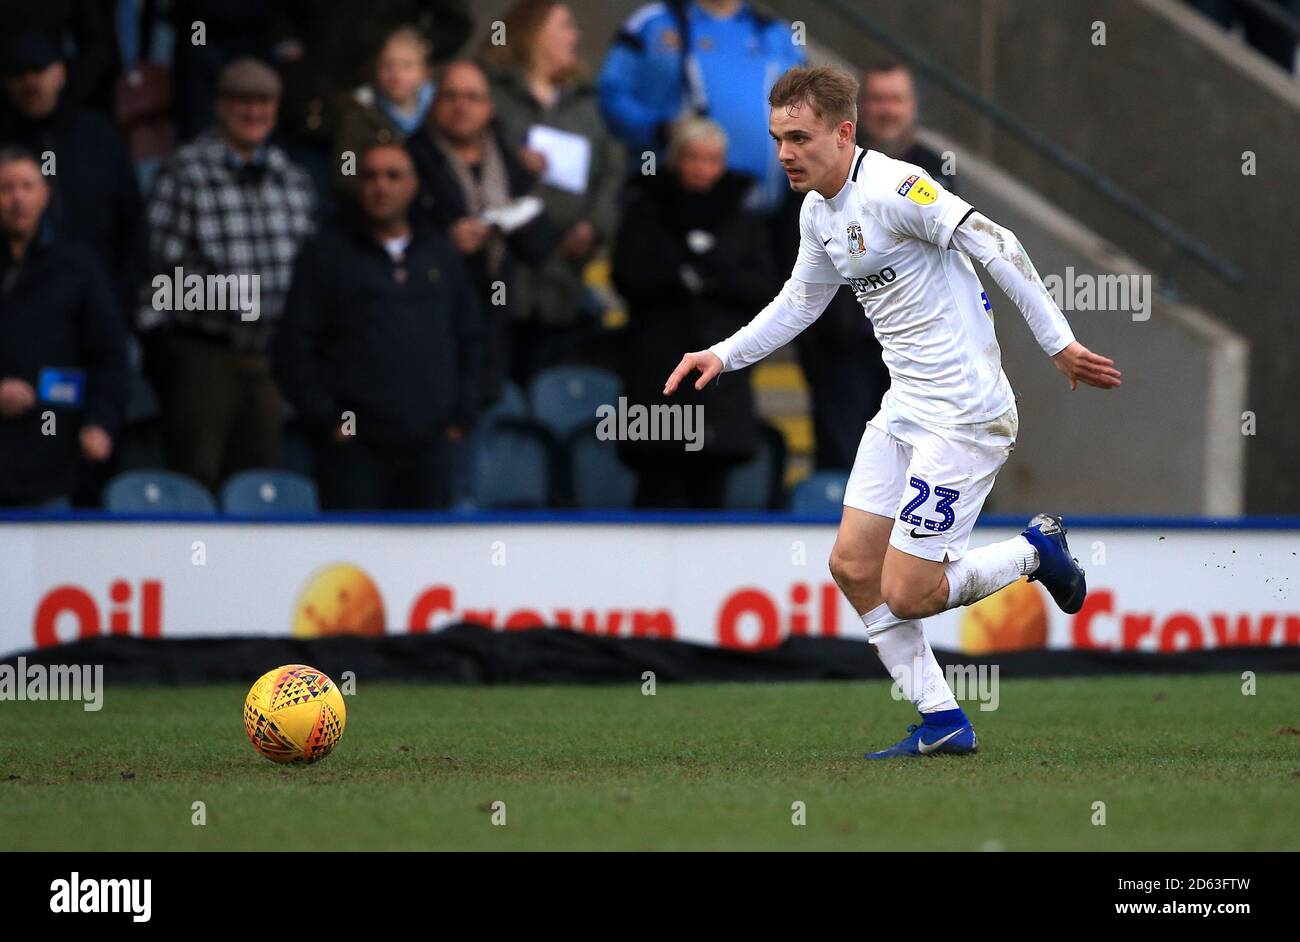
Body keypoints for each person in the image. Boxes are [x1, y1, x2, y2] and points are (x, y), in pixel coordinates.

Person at [663, 67, 1122, 759]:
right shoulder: (818, 212)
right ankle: (942, 720)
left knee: (908, 593)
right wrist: (722, 355)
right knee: (852, 565)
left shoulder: (898, 188)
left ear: (844, 133)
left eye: (800, 137)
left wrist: (1058, 343)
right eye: (777, 138)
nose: (784, 152)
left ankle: (1037, 551)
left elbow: (994, 242)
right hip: (905, 408)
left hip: (966, 416)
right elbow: (800, 302)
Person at [140, 57, 317, 492]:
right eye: (242, 102)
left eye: (264, 103)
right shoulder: (185, 172)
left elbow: (311, 272)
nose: (254, 113)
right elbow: (156, 281)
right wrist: (237, 296)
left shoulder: (293, 180)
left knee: (257, 485)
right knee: (195, 480)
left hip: (271, 359)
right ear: (220, 106)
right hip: (205, 356)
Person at [273, 143, 480, 510]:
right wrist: (329, 421)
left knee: (427, 564)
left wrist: (460, 415)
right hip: (355, 451)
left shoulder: (441, 255)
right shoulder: (326, 255)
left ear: (414, 184)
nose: (381, 186)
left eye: (393, 176)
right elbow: (294, 345)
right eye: (369, 176)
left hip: (430, 448)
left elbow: (471, 337)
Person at [612, 117, 772, 508]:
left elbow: (764, 287)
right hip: (657, 373)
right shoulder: (645, 209)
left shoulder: (744, 216)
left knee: (711, 493)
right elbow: (626, 278)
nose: (702, 168)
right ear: (675, 160)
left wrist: (713, 273)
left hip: (719, 380)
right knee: (656, 486)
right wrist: (679, 278)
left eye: (712, 160)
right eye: (693, 158)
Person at [484, 0, 625, 385]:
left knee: (556, 385)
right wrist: (512, 161)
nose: (575, 36)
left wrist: (594, 227)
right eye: (564, 26)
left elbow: (612, 172)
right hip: (503, 273)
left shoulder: (587, 102)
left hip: (565, 277)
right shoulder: (493, 96)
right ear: (533, 33)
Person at [408, 60, 554, 408]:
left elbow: (540, 247)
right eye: (451, 96)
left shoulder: (507, 157)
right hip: (430, 319)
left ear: (488, 107)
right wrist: (446, 244)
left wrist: (515, 216)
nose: (462, 106)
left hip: (493, 318)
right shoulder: (409, 159)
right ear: (434, 104)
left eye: (472, 97)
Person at [0, 148, 128, 508]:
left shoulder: (78, 266)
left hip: (56, 458)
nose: (17, 199)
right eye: (6, 188)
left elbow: (109, 355)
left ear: (45, 194)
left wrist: (100, 422)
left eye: (27, 186)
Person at [598, 0, 805, 215]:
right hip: (668, 212)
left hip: (758, 218)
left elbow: (809, 110)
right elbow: (612, 96)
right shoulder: (653, 22)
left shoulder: (777, 35)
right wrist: (658, 129)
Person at [0, 31, 145, 327]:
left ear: (60, 73)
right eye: (19, 73)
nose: (30, 82)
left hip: (101, 306)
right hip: (17, 314)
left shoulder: (98, 136)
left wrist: (121, 300)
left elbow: (134, 224)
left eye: (38, 70)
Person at [335, 25, 437, 181]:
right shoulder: (358, 114)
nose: (396, 74)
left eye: (407, 65)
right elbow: (346, 173)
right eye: (387, 65)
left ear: (424, 72)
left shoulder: (438, 110)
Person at [856, 61, 957, 194]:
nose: (888, 111)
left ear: (913, 105)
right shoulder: (838, 160)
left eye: (896, 99)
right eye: (877, 99)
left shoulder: (937, 166)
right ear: (859, 104)